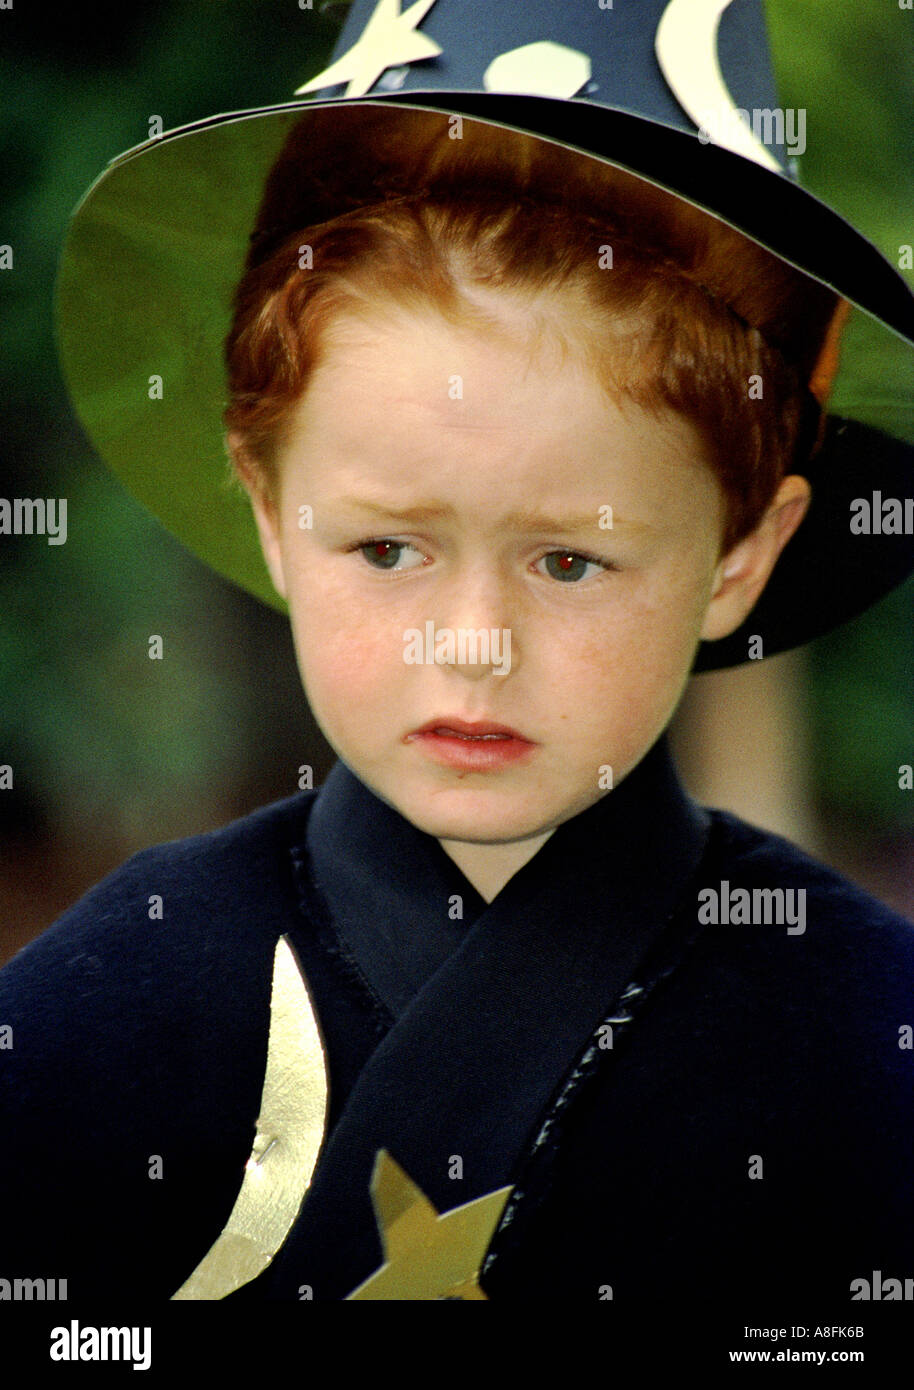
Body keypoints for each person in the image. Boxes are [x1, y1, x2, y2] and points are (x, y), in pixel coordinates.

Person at [2, 1, 912, 1311]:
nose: (470, 644)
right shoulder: (93, 1014)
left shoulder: (862, 1042)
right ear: (267, 504)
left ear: (738, 555)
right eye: (386, 549)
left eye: (569, 560)